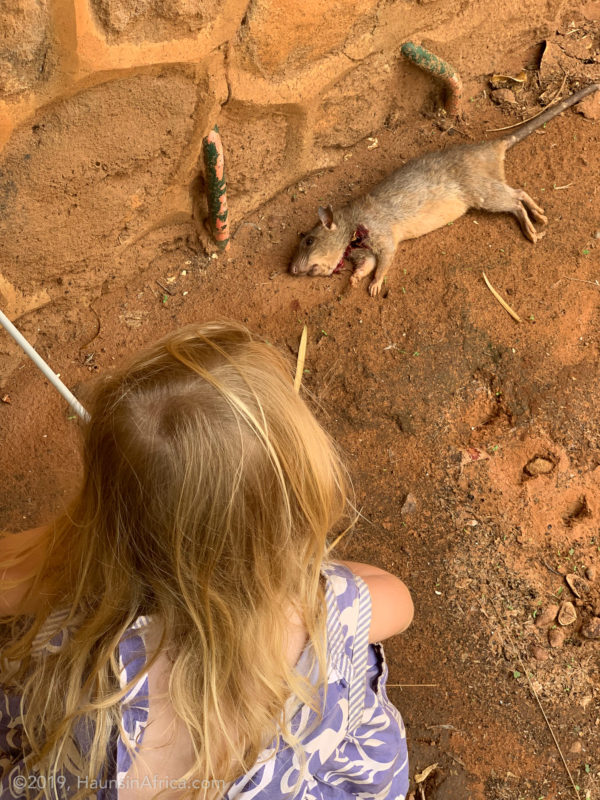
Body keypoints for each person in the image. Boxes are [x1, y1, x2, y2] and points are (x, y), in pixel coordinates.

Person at [0, 320, 414, 799]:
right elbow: (397, 601)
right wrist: (306, 579)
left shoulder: (87, 638)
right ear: (293, 511)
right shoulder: (327, 611)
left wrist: (75, 546)